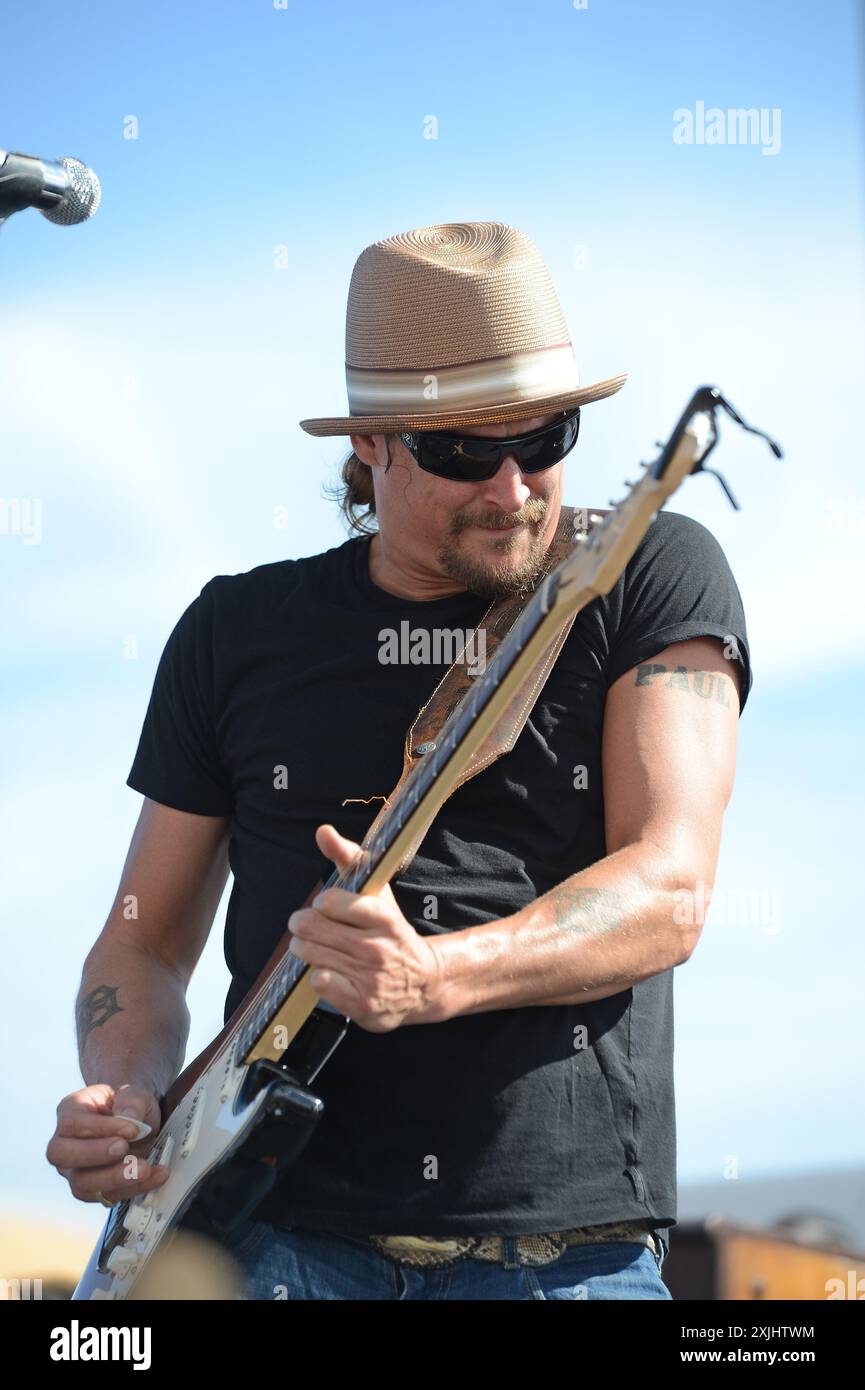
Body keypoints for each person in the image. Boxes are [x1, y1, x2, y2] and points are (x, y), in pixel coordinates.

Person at [46, 221, 751, 1301]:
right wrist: (128, 1096)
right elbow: (141, 945)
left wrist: (430, 978)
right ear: (368, 447)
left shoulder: (649, 572)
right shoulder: (233, 631)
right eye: (466, 451)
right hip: (262, 1246)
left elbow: (668, 890)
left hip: (559, 1260)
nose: (514, 488)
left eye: (548, 437)